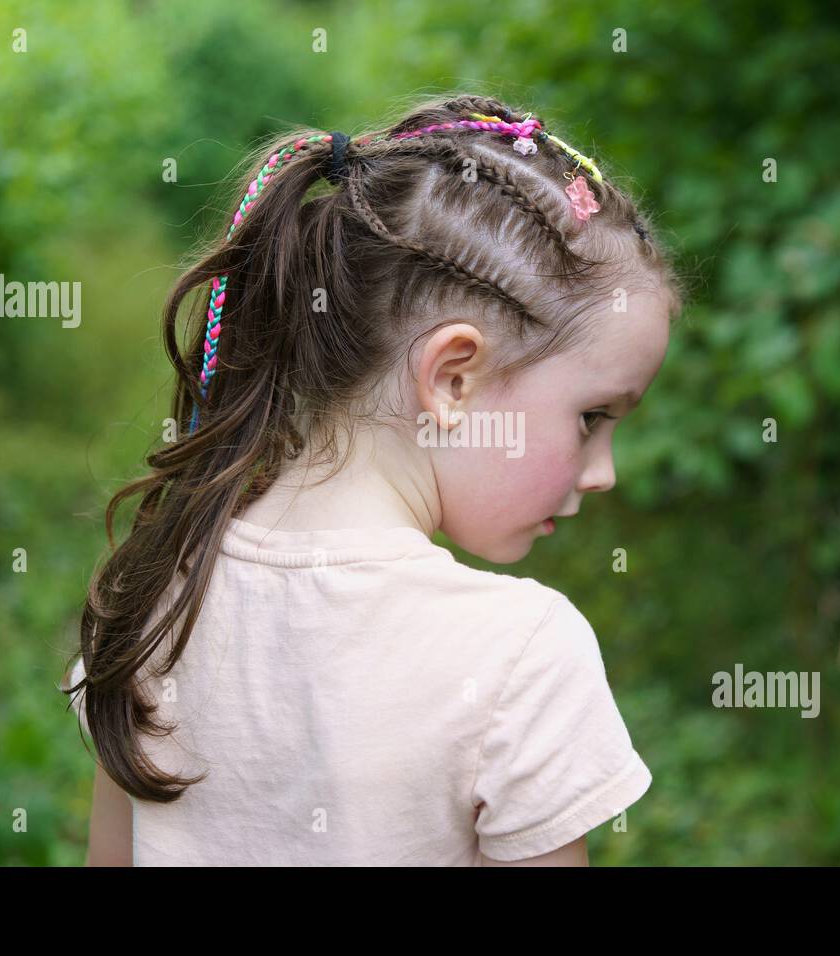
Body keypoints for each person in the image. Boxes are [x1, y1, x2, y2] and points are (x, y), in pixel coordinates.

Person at [62, 92, 685, 865]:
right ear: (453, 378)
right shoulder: (522, 653)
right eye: (593, 417)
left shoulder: (155, 599)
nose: (603, 474)